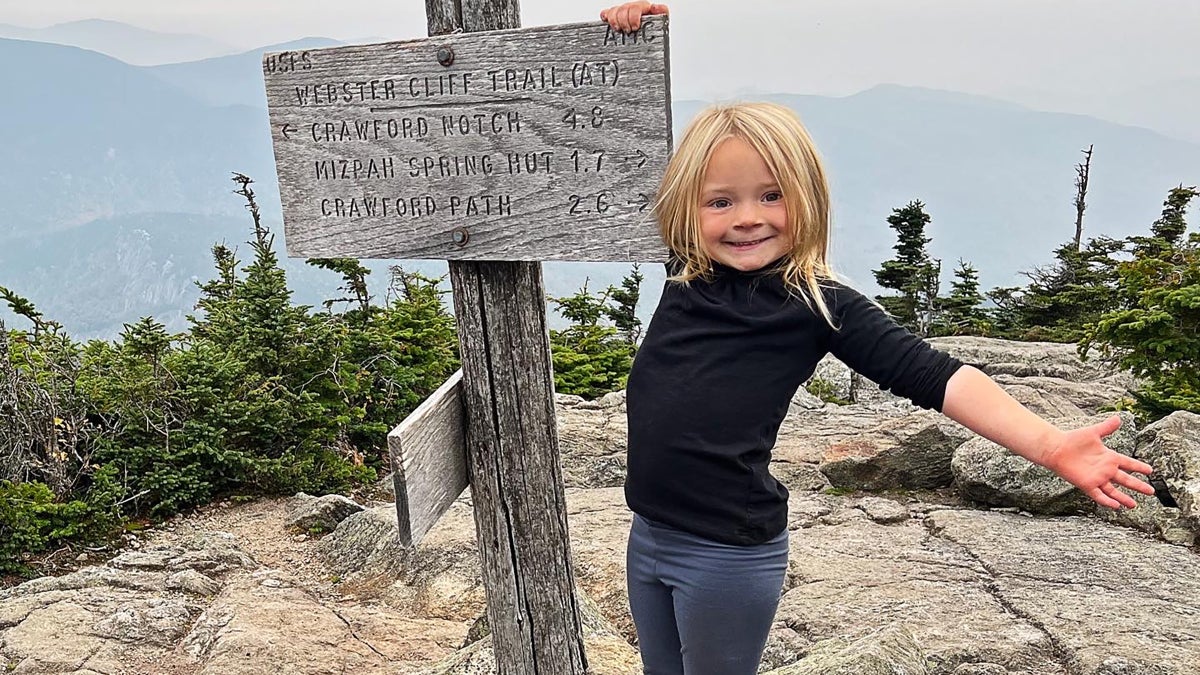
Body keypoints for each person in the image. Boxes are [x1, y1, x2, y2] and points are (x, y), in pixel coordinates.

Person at [599, 2, 1158, 674]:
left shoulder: (816, 302)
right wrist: (628, 40)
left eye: (771, 196)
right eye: (721, 201)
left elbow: (937, 375)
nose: (747, 218)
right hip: (648, 535)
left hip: (726, 551)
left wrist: (1049, 443)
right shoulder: (686, 270)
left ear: (807, 199)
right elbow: (617, 154)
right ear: (688, 207)